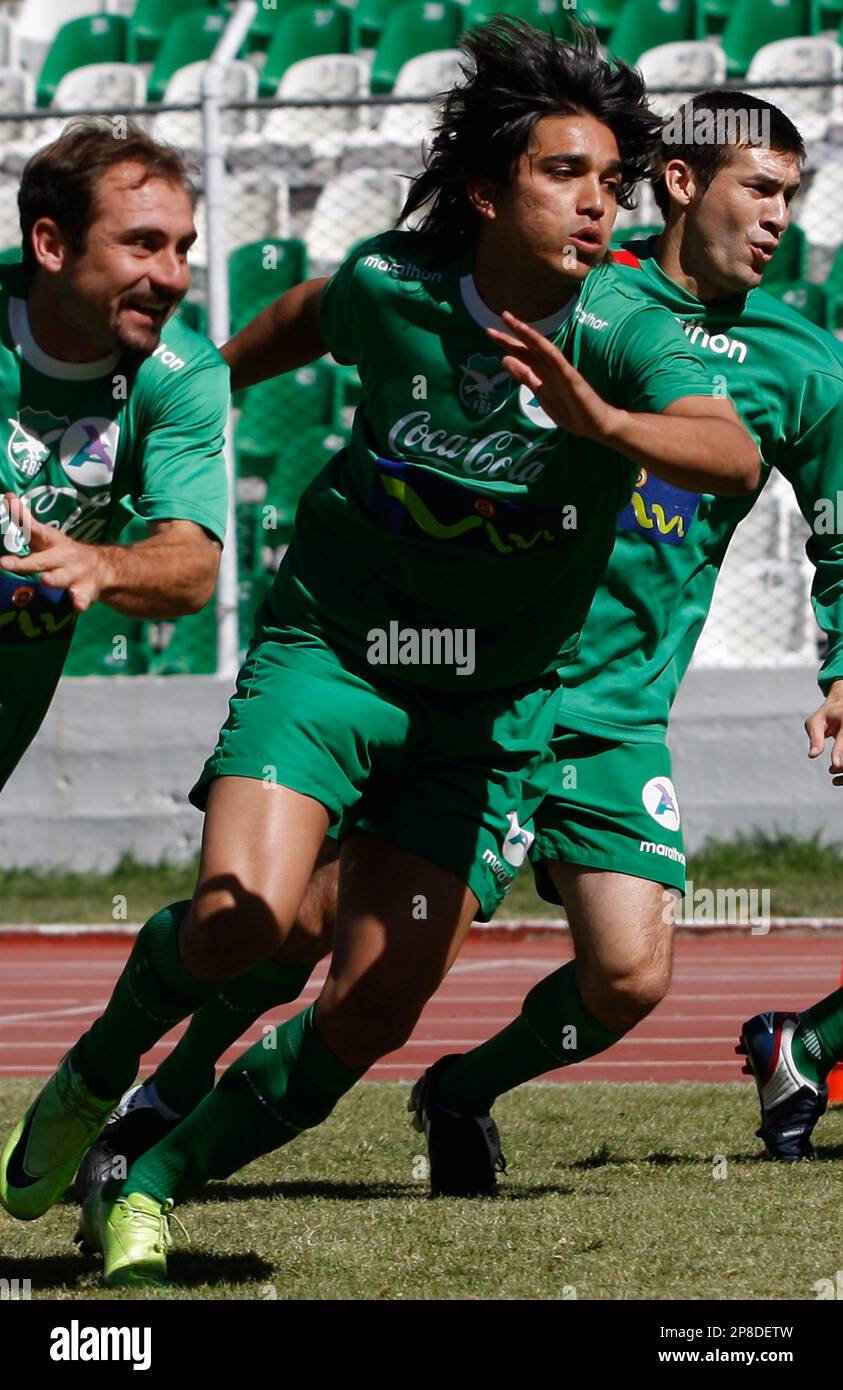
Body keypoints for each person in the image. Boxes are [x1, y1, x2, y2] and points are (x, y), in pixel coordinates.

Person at [0, 23, 758, 1287]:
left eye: (612, 180)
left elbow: (728, 452)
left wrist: (604, 421)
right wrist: (201, 390)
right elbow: (306, 317)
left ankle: (154, 1178)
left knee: (372, 1005)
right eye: (565, 173)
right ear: (488, 192)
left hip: (488, 714)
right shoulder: (395, 284)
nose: (597, 202)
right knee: (242, 922)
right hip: (335, 657)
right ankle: (92, 1075)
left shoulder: (626, 325)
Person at [0, 119, 228, 792]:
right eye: (143, 245)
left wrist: (98, 564)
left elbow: (192, 568)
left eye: (183, 249)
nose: (173, 276)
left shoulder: (181, 375)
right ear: (52, 245)